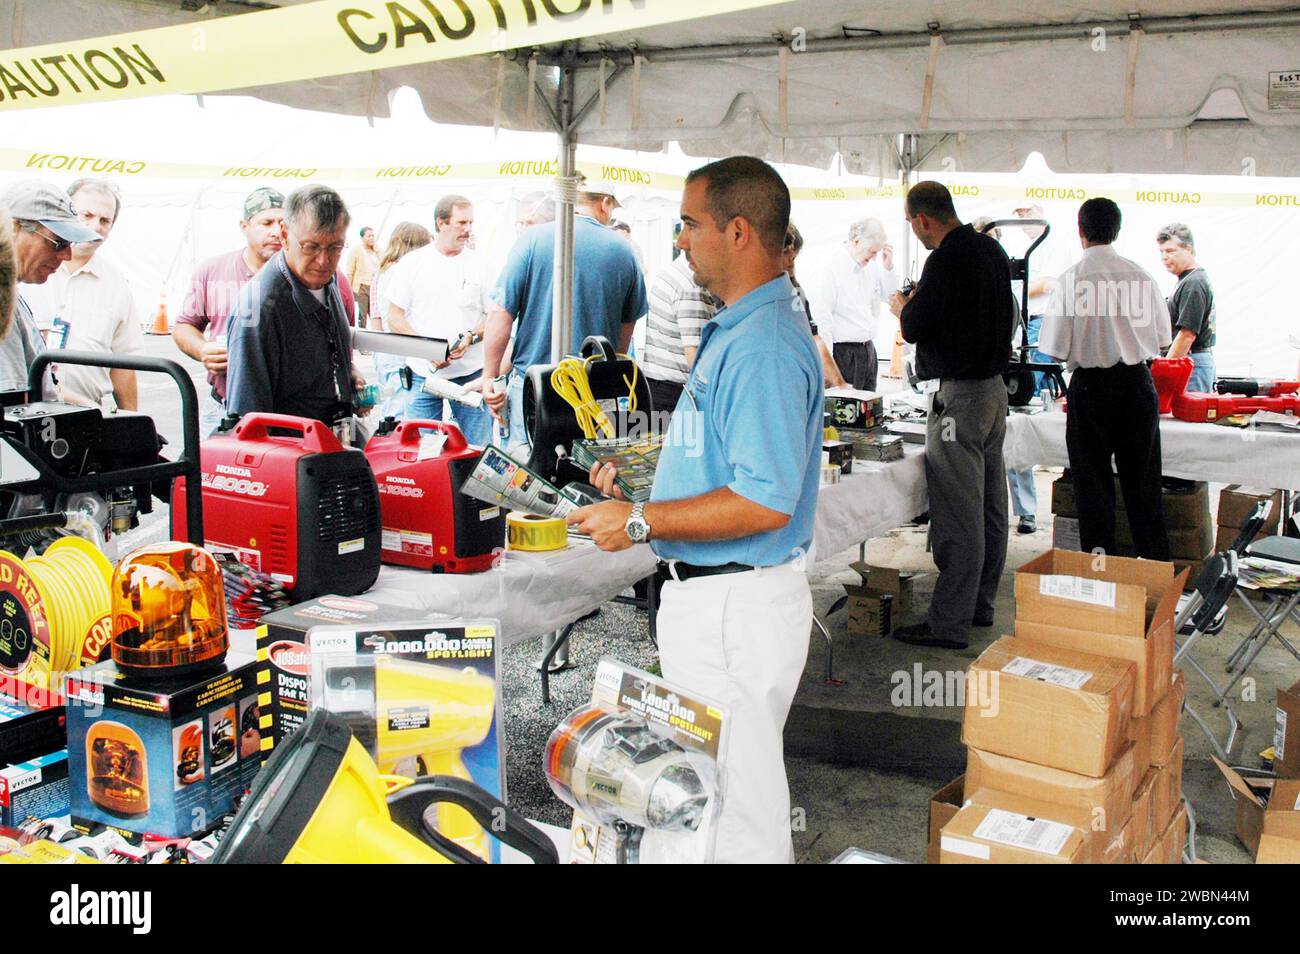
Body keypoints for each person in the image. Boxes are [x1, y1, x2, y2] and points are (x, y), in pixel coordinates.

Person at [568, 156, 822, 863]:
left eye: (688, 223)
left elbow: (764, 499)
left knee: (731, 812)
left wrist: (643, 522)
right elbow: (729, 465)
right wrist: (649, 483)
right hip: (721, 603)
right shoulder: (743, 327)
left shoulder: (763, 344)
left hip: (732, 606)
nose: (680, 239)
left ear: (737, 231)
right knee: (713, 801)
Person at [889, 182, 1014, 650]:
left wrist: (904, 305)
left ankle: (948, 623)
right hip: (993, 391)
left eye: (911, 223)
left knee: (960, 513)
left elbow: (916, 327)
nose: (914, 232)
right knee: (988, 506)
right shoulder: (991, 250)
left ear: (923, 219)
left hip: (959, 396)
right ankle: (979, 603)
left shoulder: (943, 258)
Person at [1039, 198, 1172, 560]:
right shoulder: (1142, 276)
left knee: (1093, 486)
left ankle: (1100, 573)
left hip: (1092, 387)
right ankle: (1155, 571)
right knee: (1144, 483)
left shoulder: (1072, 280)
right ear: (1117, 230)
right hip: (1136, 384)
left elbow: (1054, 348)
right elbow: (1163, 340)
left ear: (1080, 231)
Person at [482, 182, 647, 454]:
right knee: (590, 471)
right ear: (605, 203)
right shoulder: (624, 250)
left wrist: (489, 375)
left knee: (528, 476)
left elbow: (501, 312)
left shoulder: (532, 240)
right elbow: (627, 326)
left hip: (533, 383)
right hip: (593, 387)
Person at [225, 185, 367, 436]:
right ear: (284, 234)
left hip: (332, 446)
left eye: (335, 248)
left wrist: (345, 374)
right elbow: (247, 422)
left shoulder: (327, 280)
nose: (323, 261)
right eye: (311, 247)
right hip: (291, 459)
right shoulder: (256, 308)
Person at [173, 187, 286, 437]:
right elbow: (183, 326)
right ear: (244, 226)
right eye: (266, 223)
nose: (276, 232)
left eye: (282, 223)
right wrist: (203, 349)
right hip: (223, 409)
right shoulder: (213, 271)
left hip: (289, 415)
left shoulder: (310, 275)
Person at [22, 179, 143, 410]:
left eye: (104, 220)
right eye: (86, 215)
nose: (95, 226)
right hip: (28, 411)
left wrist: (130, 422)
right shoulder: (31, 272)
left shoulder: (116, 284)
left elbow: (124, 363)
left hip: (87, 417)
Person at [382, 195, 493, 446]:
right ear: (441, 223)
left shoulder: (482, 265)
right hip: (423, 374)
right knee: (423, 450)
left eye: (471, 223)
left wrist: (471, 337)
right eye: (461, 222)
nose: (468, 230)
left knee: (479, 449)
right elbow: (394, 317)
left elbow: (493, 317)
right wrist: (426, 348)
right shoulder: (413, 263)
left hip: (470, 376)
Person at [0, 180, 102, 398]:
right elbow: (14, 407)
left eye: (70, 244)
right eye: (58, 243)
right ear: (13, 228)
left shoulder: (13, 296)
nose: (67, 256)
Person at [807, 217, 899, 392]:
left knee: (868, 411)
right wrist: (827, 367)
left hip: (868, 350)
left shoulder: (871, 267)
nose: (874, 258)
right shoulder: (829, 268)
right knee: (846, 412)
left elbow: (892, 298)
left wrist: (888, 268)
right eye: (872, 252)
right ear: (856, 242)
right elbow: (822, 320)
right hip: (843, 353)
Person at [641, 251, 717, 427]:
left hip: (660, 390)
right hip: (676, 396)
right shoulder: (692, 288)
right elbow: (697, 361)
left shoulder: (675, 272)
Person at [368, 222, 432, 419]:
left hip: (385, 349)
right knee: (404, 414)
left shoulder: (380, 273)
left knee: (391, 411)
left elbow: (376, 316)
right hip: (404, 351)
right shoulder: (407, 272)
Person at [783, 222, 847, 389]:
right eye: (785, 253)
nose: (791, 262)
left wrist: (840, 384)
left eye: (794, 256)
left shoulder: (793, 289)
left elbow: (813, 336)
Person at [1157, 223, 1216, 393]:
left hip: (1191, 365)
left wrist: (1165, 372)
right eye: (1161, 252)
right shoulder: (1187, 280)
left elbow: (1187, 335)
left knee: (1184, 419)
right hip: (1192, 362)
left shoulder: (1193, 284)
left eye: (1170, 251)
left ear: (1189, 250)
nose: (1164, 257)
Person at [345, 226, 379, 321]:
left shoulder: (377, 251)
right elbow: (349, 272)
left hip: (374, 287)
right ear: (362, 237)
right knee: (362, 315)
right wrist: (349, 289)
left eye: (373, 236)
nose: (371, 238)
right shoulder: (356, 250)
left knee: (374, 313)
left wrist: (376, 249)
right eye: (369, 236)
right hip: (361, 287)